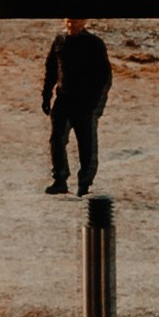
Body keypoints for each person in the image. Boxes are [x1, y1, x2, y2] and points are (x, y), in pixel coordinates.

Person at [42, 12, 111, 196]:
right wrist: (46, 95)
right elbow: (51, 70)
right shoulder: (59, 41)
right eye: (69, 20)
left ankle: (84, 184)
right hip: (62, 100)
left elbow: (103, 77)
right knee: (56, 140)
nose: (72, 23)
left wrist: (96, 104)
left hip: (84, 103)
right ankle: (59, 180)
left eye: (77, 20)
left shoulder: (94, 44)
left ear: (84, 22)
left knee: (86, 144)